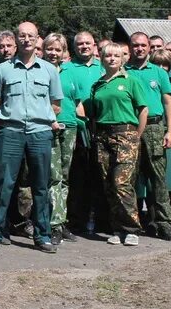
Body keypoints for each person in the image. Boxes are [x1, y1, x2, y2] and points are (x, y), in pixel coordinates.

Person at [0, 22, 62, 253]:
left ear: (38, 40)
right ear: (17, 39)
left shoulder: (48, 70)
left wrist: (39, 116)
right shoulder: (3, 70)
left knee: (40, 187)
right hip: (11, 132)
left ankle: (43, 235)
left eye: (31, 36)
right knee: (2, 185)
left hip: (39, 133)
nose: (26, 39)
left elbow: (56, 104)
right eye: (22, 35)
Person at [90, 42, 148, 247]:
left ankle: (131, 229)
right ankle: (117, 228)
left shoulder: (131, 82)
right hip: (103, 136)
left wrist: (136, 135)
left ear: (123, 58)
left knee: (121, 182)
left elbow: (143, 110)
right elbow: (95, 115)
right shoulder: (98, 85)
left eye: (116, 55)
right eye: (108, 56)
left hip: (126, 135)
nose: (112, 59)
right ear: (102, 59)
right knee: (108, 184)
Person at [125, 33, 171, 241]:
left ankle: (165, 224)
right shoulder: (123, 71)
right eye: (135, 45)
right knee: (129, 178)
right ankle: (132, 224)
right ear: (130, 48)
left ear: (149, 48)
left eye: (142, 45)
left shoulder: (158, 72)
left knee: (158, 178)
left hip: (155, 128)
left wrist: (170, 130)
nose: (139, 49)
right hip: (130, 128)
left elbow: (168, 102)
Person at [41, 33, 82, 244]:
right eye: (50, 49)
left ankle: (62, 220)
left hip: (70, 127)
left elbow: (77, 102)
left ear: (64, 51)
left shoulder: (71, 71)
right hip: (47, 128)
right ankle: (54, 223)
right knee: (53, 177)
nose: (54, 53)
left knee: (65, 177)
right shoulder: (39, 69)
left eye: (58, 49)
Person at [64, 32, 106, 234]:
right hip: (78, 127)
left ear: (94, 45)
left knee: (101, 176)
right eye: (79, 44)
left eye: (87, 43)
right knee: (77, 177)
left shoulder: (104, 66)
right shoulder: (68, 68)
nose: (84, 47)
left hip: (102, 126)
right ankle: (76, 220)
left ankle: (101, 219)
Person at [148, 49, 171, 226]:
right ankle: (154, 218)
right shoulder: (149, 81)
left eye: (165, 65)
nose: (161, 68)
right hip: (153, 129)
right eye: (157, 64)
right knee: (155, 179)